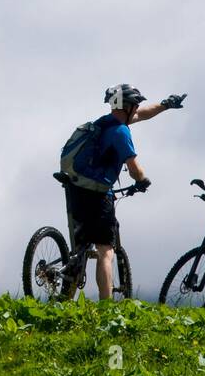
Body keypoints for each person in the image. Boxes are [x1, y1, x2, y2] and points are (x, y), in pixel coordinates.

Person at [63, 84, 187, 300]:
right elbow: (134, 168)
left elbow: (143, 114)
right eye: (134, 104)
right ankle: (106, 307)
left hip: (76, 188)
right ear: (127, 106)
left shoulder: (103, 124)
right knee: (106, 251)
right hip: (98, 194)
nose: (137, 108)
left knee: (80, 248)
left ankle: (65, 299)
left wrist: (166, 105)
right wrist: (143, 180)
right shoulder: (120, 132)